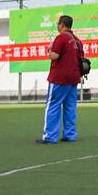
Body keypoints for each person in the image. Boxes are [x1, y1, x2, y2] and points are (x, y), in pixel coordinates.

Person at [37, 15, 83, 144]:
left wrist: (50, 49)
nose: (57, 26)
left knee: (52, 105)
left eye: (58, 24)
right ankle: (70, 135)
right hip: (73, 78)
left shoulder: (61, 37)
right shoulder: (77, 40)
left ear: (62, 24)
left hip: (60, 78)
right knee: (70, 107)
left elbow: (54, 55)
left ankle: (50, 137)